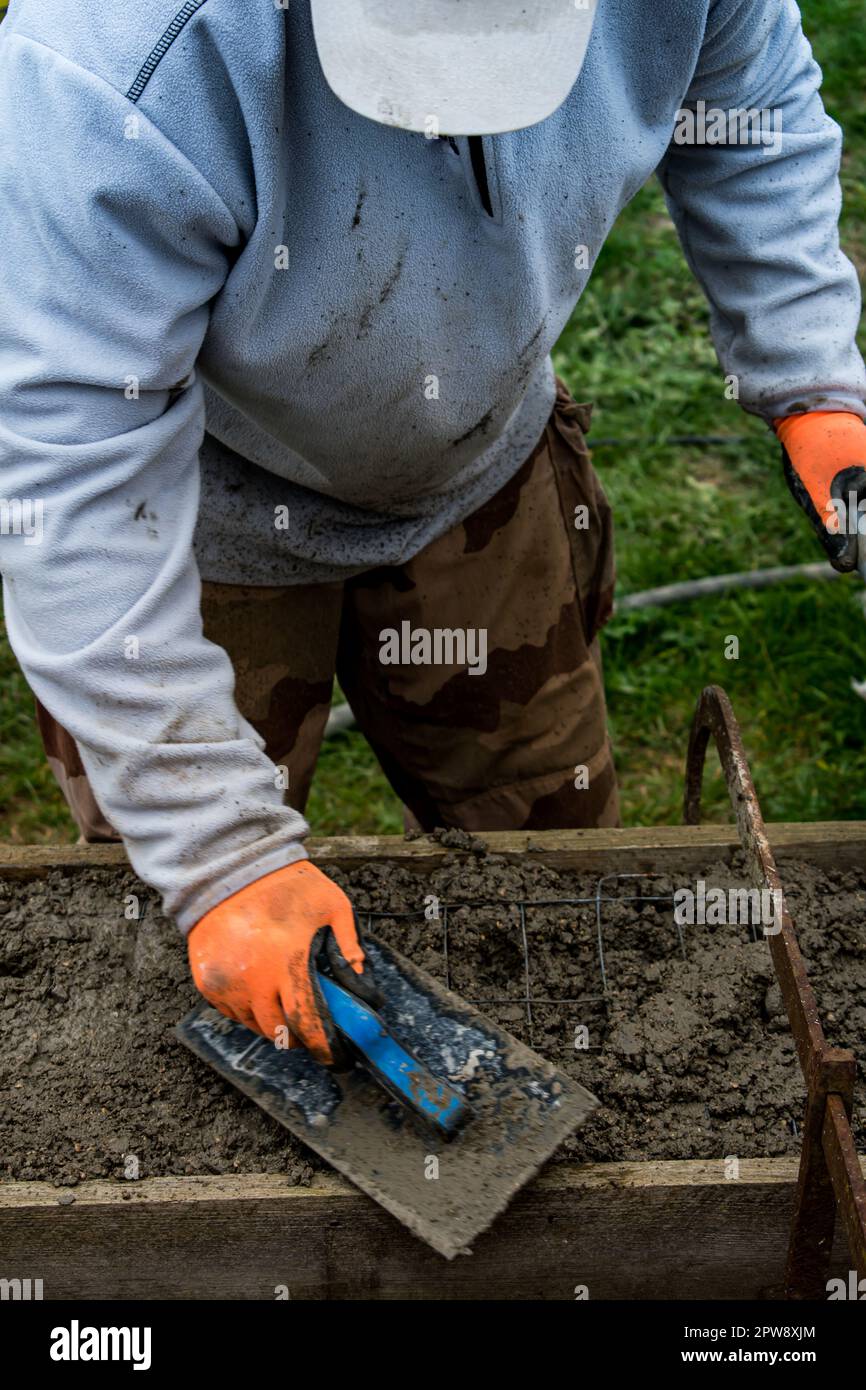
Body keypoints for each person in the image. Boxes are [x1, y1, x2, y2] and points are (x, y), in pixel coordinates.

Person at [1, 0, 863, 1061]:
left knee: (552, 877)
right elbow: (69, 472)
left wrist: (806, 371)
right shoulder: (115, 63)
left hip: (478, 481)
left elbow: (743, 97)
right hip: (190, 532)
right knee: (189, 942)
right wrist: (216, 854)